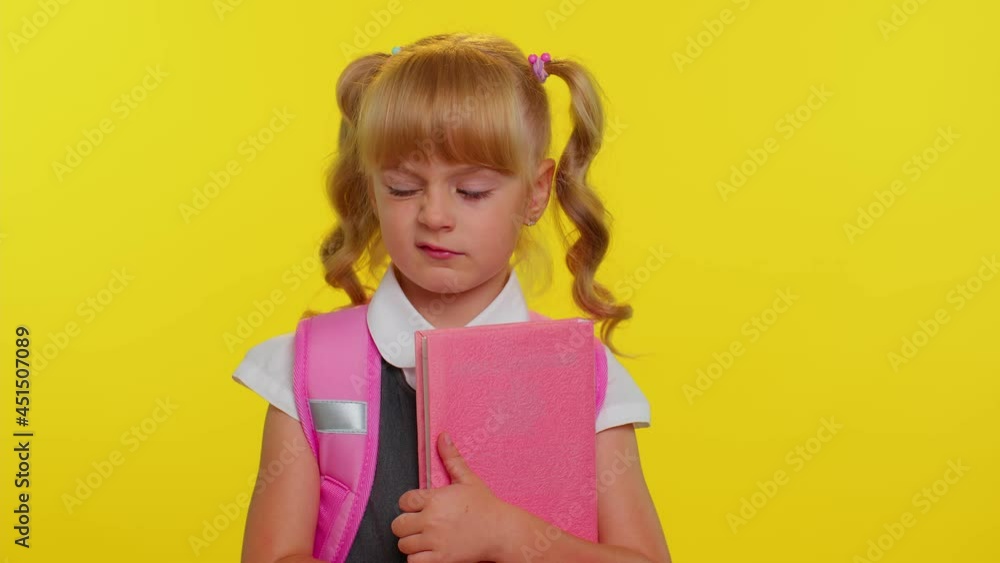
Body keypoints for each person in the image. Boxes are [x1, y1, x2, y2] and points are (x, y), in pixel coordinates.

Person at [232, 32, 671, 563]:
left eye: (472, 192)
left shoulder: (586, 379)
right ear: (370, 189)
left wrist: (508, 535)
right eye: (402, 187)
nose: (435, 215)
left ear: (536, 192)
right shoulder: (305, 370)